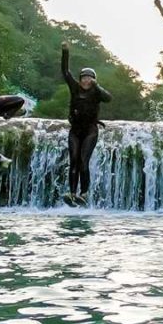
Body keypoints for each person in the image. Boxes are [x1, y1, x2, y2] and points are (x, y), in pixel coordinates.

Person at [61, 41, 112, 206]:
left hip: (90, 130)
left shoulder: (97, 92)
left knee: (83, 161)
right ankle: (72, 192)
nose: (86, 80)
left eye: (89, 78)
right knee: (73, 160)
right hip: (75, 130)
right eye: (84, 77)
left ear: (93, 80)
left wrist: (97, 87)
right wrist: (65, 52)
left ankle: (84, 192)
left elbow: (108, 98)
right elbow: (65, 71)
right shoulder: (75, 88)